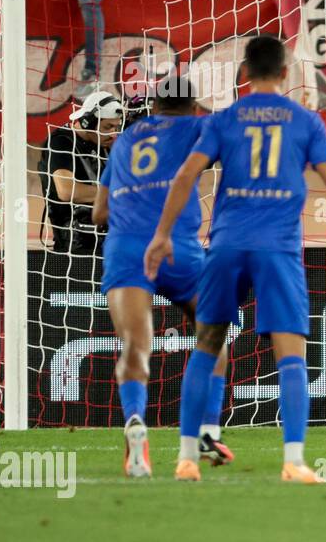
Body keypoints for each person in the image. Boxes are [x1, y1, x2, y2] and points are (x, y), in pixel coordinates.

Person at [144, 34, 326, 484]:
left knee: (208, 344)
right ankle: (293, 462)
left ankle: (185, 459)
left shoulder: (222, 120)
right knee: (291, 353)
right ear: (284, 73)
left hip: (225, 247)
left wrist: (161, 235)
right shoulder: (306, 121)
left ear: (243, 75)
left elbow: (185, 175)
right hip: (277, 249)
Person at [91, 77, 231, 477]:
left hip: (128, 249)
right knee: (213, 338)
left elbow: (99, 214)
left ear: (153, 106)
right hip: (178, 248)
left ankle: (135, 424)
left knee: (136, 347)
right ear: (192, 107)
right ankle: (207, 431)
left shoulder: (124, 140)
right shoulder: (199, 127)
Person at [39, 90, 125, 255]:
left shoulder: (103, 142)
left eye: (116, 127)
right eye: (108, 127)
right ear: (87, 122)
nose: (113, 133)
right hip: (76, 244)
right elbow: (66, 190)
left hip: (107, 235)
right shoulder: (61, 142)